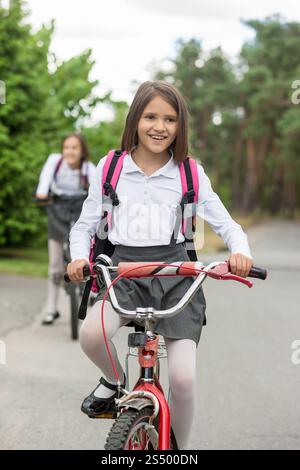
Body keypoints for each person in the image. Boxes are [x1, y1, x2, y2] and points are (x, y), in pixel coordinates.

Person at [67, 81, 253, 449]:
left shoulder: (189, 173)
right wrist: (77, 256)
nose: (159, 126)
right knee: (92, 334)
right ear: (135, 118)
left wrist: (240, 251)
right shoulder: (111, 167)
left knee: (183, 379)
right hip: (123, 272)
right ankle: (113, 380)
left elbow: (227, 224)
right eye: (150, 116)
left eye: (170, 119)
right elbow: (85, 225)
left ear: (180, 126)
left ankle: (178, 449)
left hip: (175, 274)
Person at [36, 133, 96, 325]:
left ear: (82, 151)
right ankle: (52, 309)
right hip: (57, 207)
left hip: (80, 207)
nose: (69, 151)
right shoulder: (55, 161)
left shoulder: (89, 168)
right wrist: (42, 192)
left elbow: (98, 190)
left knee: (84, 254)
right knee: (54, 264)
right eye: (66, 147)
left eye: (74, 148)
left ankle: (89, 294)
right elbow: (45, 178)